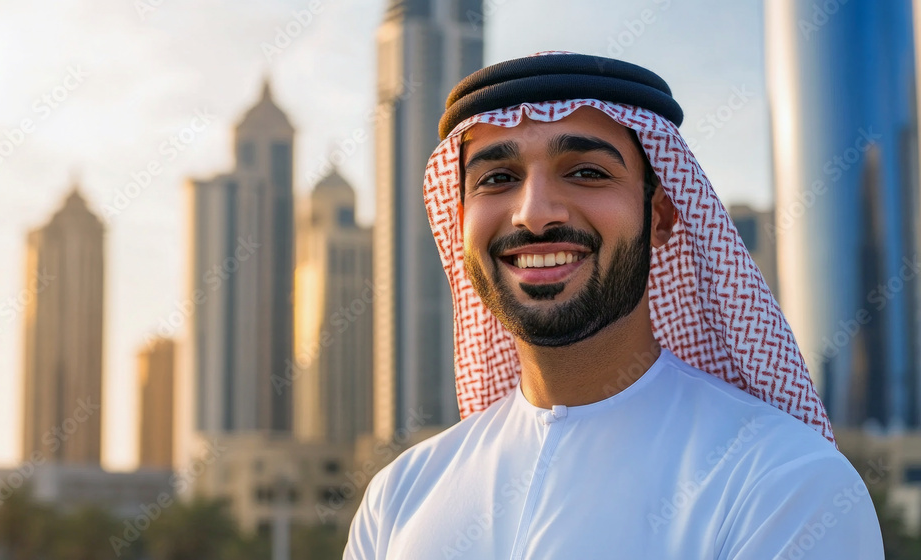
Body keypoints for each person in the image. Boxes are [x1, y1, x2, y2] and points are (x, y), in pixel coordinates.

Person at [344, 52, 884, 559]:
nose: (533, 215)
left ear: (662, 215)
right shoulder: (400, 497)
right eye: (497, 179)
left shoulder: (782, 482)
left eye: (586, 172)